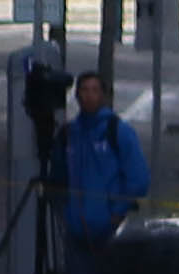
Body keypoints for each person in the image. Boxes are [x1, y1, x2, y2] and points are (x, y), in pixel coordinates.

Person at [55, 69, 150, 256]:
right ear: (76, 95)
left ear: (103, 95)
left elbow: (139, 179)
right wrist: (64, 212)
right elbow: (58, 177)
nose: (89, 96)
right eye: (84, 90)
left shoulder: (119, 131)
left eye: (94, 90)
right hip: (75, 229)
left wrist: (117, 212)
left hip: (107, 229)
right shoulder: (69, 134)